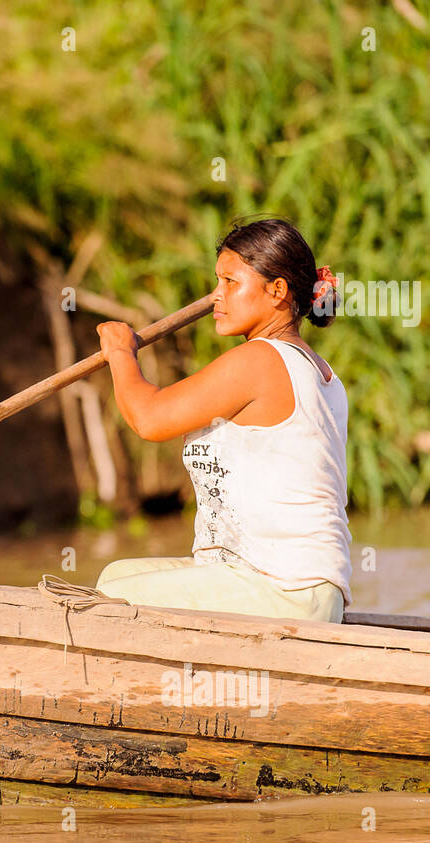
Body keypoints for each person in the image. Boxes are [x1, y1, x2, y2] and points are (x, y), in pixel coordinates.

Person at [94, 217, 352, 623]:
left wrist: (121, 354)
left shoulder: (262, 359)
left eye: (231, 282)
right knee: (117, 573)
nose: (216, 296)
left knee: (111, 595)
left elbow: (149, 418)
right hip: (302, 590)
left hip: (287, 592)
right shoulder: (322, 373)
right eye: (218, 282)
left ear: (277, 291)